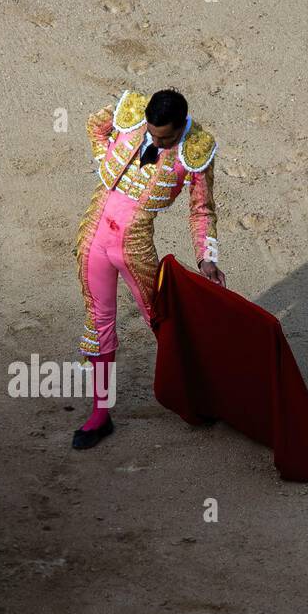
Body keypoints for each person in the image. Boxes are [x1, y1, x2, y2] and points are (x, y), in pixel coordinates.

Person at [72, 87, 222, 450]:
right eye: (151, 133)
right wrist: (102, 161)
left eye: (164, 137)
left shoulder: (196, 148)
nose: (155, 140)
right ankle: (100, 413)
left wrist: (207, 255)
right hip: (93, 234)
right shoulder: (133, 111)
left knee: (161, 320)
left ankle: (193, 398)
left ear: (181, 125)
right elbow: (95, 124)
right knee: (98, 324)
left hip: (135, 245)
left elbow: (202, 209)